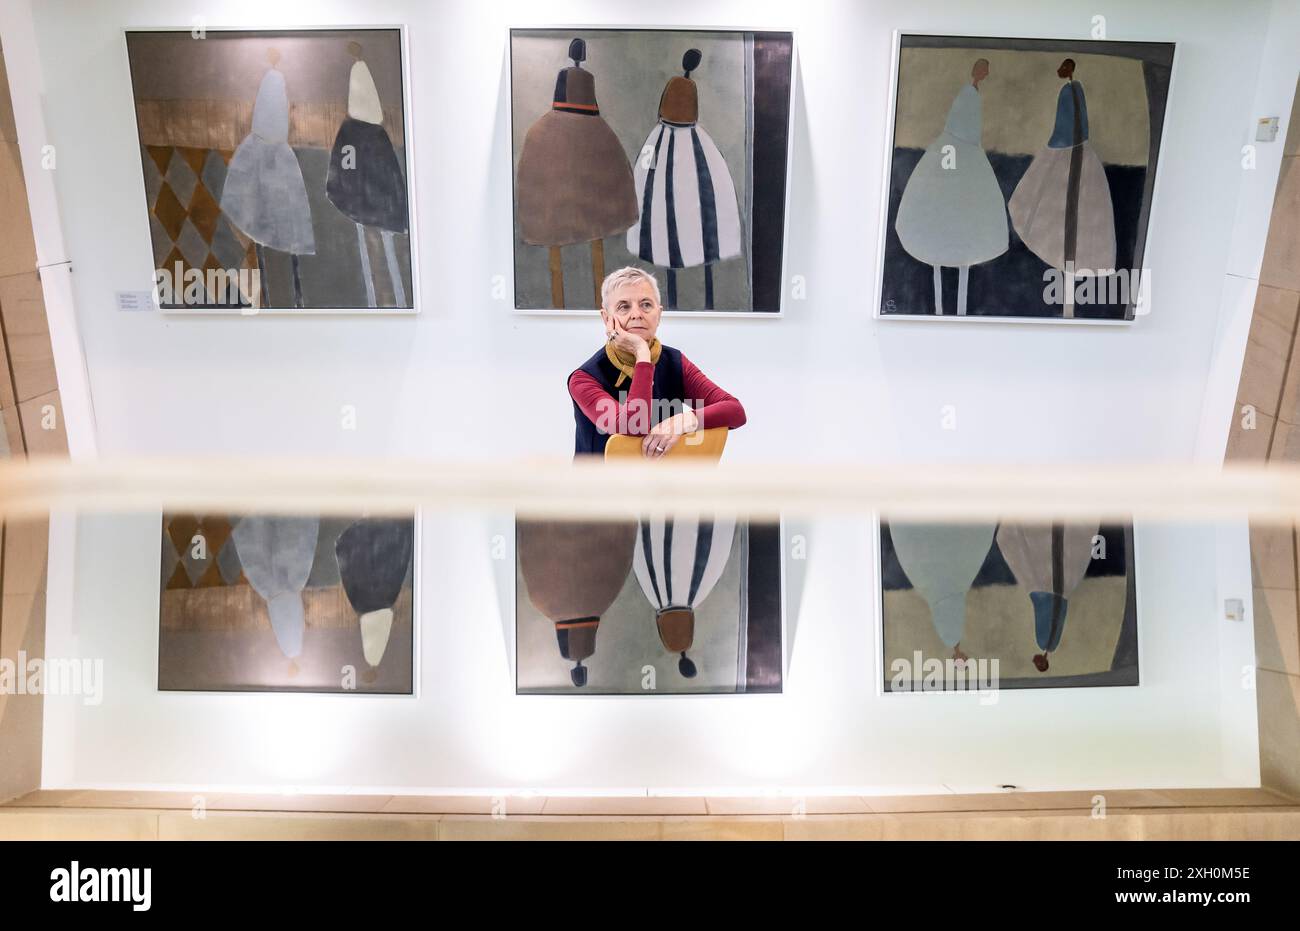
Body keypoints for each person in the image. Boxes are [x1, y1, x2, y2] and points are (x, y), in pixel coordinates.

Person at [569, 266, 746, 457]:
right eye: (624, 306)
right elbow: (632, 427)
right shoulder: (583, 379)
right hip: (598, 485)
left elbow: (735, 411)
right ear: (606, 318)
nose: (637, 314)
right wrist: (642, 353)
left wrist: (684, 420)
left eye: (646, 304)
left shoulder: (674, 362)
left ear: (659, 314)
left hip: (659, 483)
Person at [894, 58, 1007, 316]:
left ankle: (954, 310)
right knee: (947, 224)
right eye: (983, 69)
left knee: (959, 229)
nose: (984, 73)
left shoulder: (971, 94)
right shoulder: (968, 95)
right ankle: (944, 309)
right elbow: (961, 127)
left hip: (965, 156)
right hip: (961, 154)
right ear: (977, 70)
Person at [1009, 57, 1116, 316]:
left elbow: (1069, 129)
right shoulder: (1071, 92)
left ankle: (1069, 308)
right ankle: (1067, 307)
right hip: (1070, 156)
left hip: (1073, 157)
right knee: (1065, 235)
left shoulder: (1072, 91)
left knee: (1075, 235)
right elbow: (1066, 129)